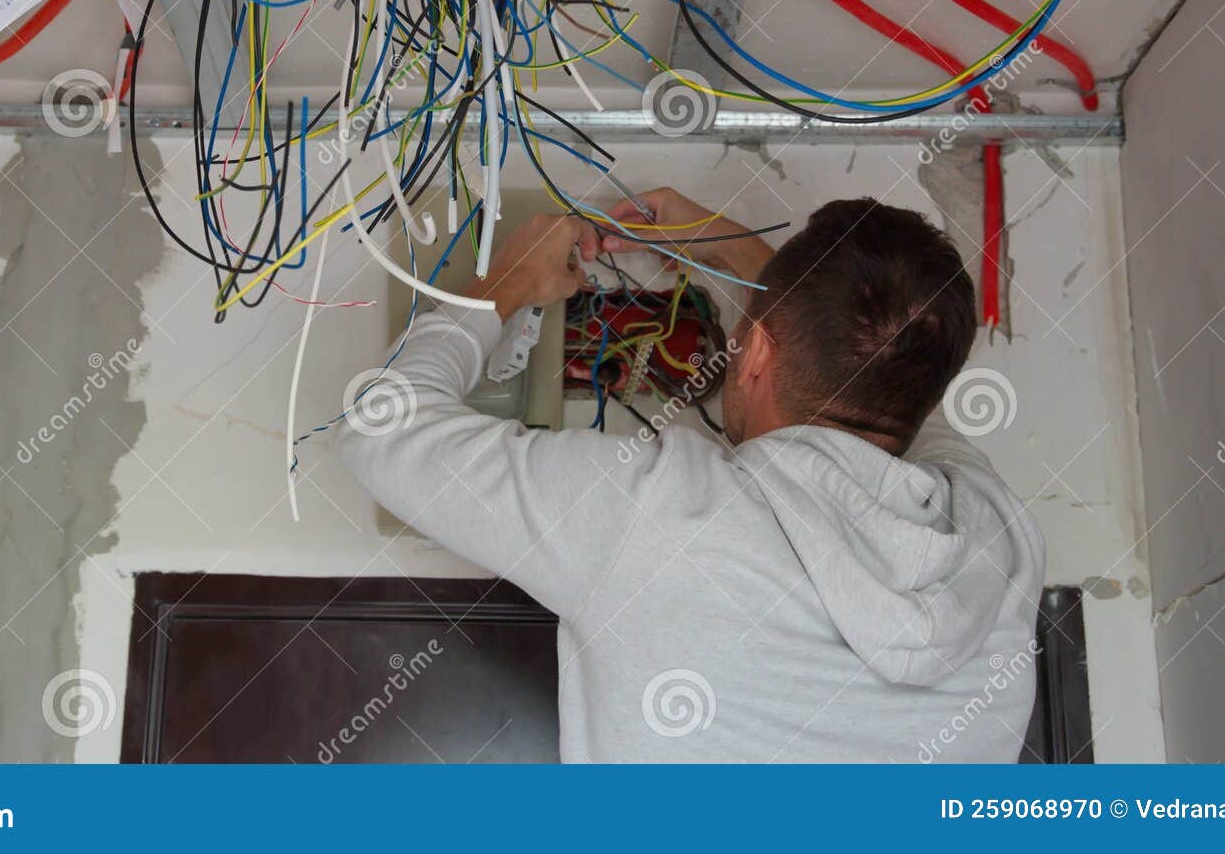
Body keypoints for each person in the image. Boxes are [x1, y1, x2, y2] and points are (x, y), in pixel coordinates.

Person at [331, 188, 1044, 762]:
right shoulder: (998, 534)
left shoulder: (661, 514)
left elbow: (381, 429)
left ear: (755, 351)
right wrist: (741, 263)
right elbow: (887, 377)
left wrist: (510, 282)